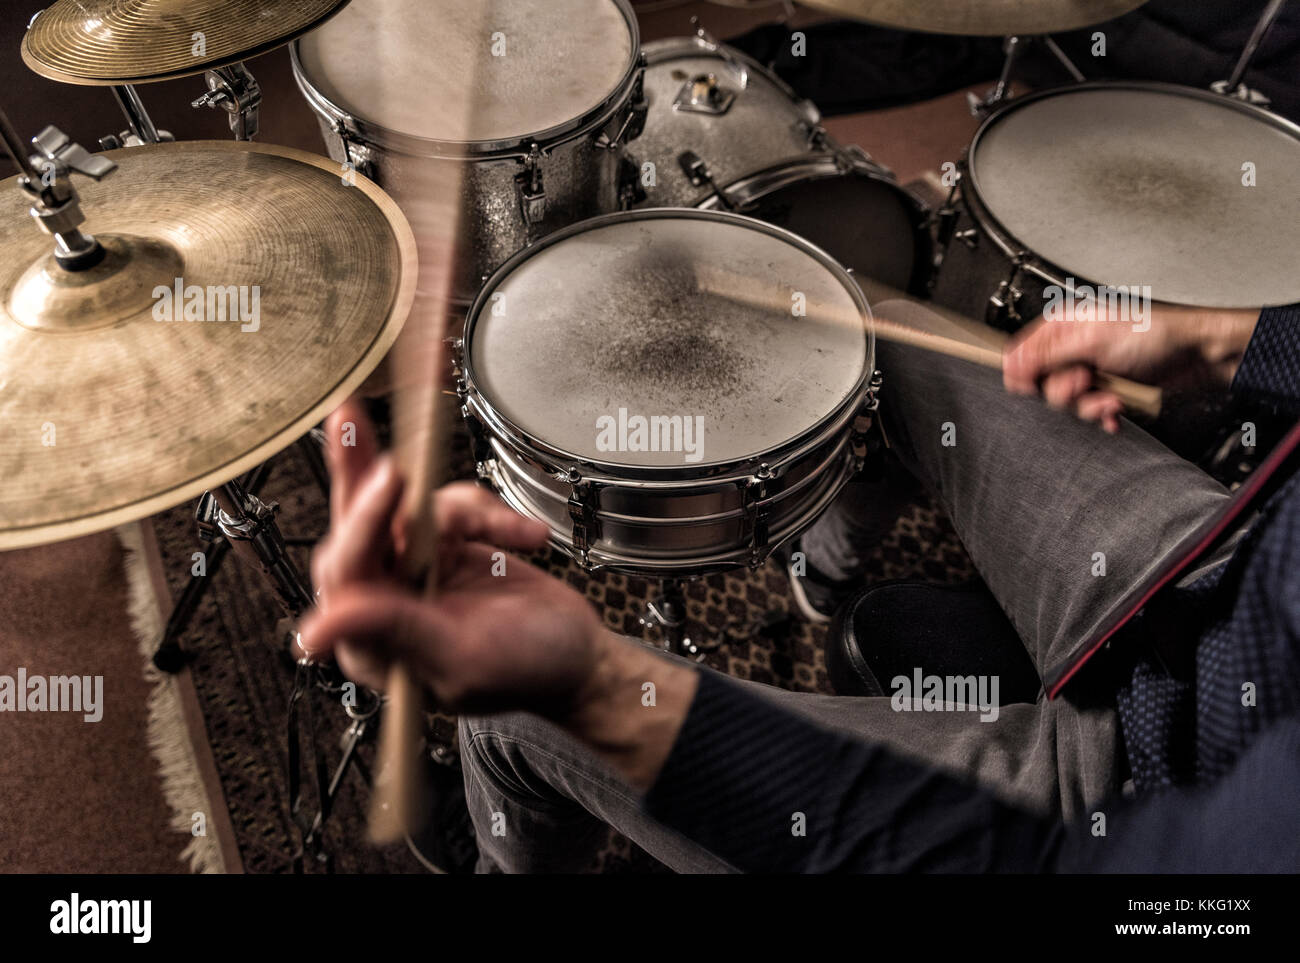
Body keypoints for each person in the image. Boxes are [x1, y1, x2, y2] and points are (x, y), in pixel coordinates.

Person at [299, 299, 1300, 872]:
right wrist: (1225, 340)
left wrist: (588, 687)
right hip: (1217, 575)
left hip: (1146, 803)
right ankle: (826, 574)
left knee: (507, 720)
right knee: (881, 338)